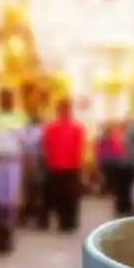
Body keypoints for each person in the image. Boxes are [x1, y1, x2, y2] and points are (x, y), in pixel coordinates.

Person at [0, 87, 28, 253]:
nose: (6, 101)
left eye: (8, 98)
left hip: (12, 161)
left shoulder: (20, 117)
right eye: (3, 98)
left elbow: (24, 140)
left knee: (10, 201)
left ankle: (8, 235)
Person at [41, 98, 86, 232]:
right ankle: (69, 222)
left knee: (64, 196)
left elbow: (46, 146)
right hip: (64, 166)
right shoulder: (75, 128)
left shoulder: (52, 128)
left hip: (63, 166)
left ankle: (66, 222)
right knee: (68, 196)